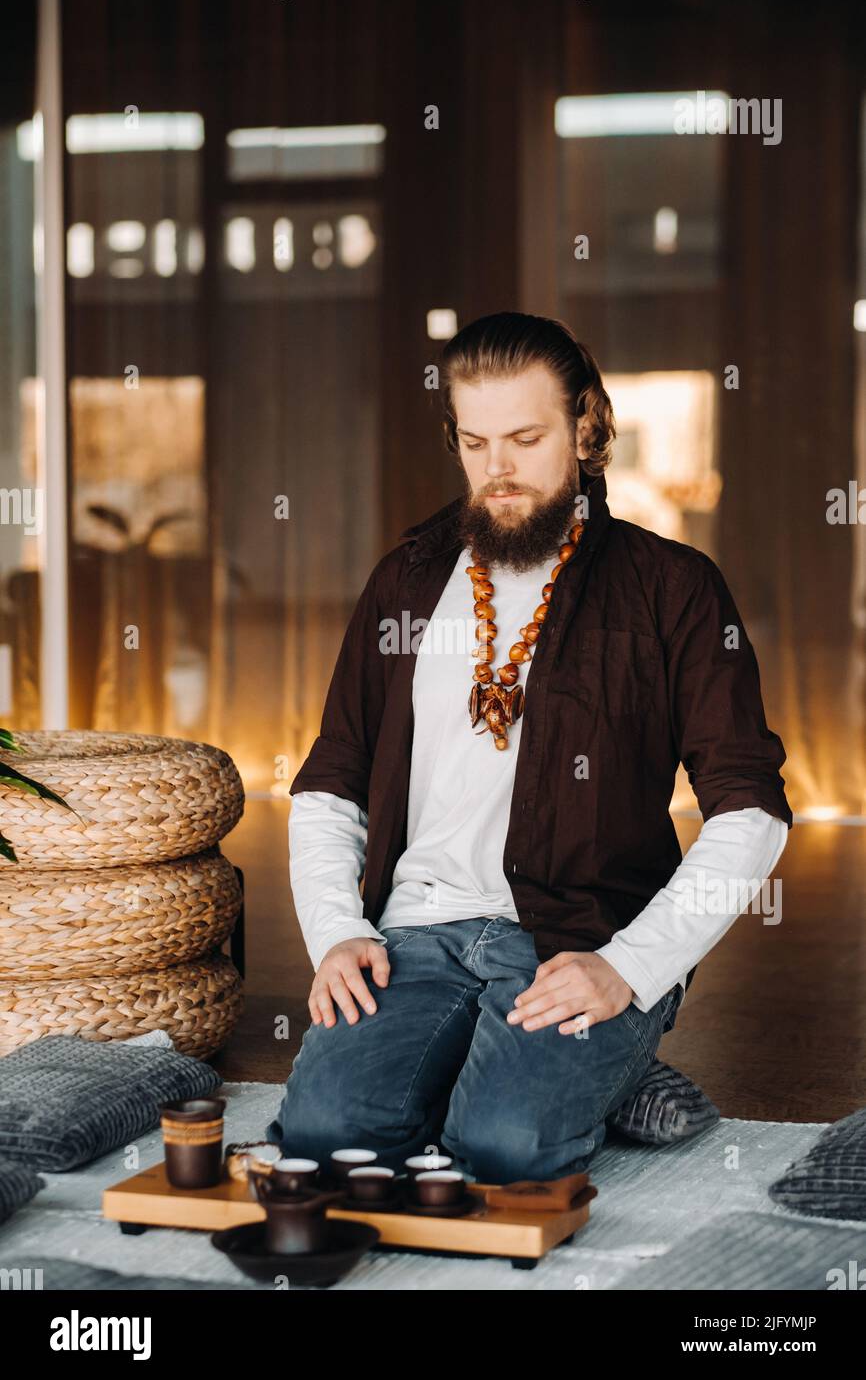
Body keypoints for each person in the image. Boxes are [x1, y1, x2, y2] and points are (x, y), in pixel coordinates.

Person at [266, 312, 792, 1185]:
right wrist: (336, 931)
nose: (497, 470)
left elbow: (752, 807)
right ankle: (573, 1075)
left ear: (586, 429)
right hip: (417, 935)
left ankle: (599, 1054)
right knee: (323, 1139)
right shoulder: (403, 580)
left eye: (526, 437)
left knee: (504, 1150)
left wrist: (632, 968)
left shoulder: (674, 588)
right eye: (475, 442)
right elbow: (331, 779)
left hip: (580, 936)